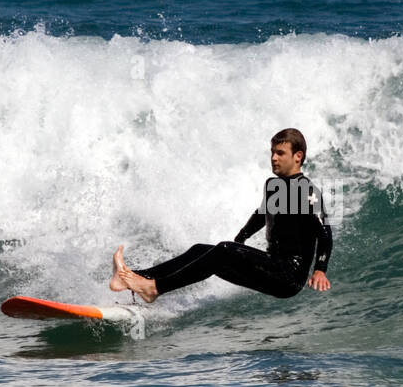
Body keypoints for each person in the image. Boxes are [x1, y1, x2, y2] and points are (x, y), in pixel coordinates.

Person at [110, 128, 333, 303]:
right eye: (272, 152)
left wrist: (320, 270)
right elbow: (262, 214)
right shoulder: (274, 185)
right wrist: (241, 237)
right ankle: (136, 277)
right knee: (203, 250)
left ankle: (154, 288)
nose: (273, 158)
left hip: (288, 276)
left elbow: (325, 234)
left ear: (298, 156)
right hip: (272, 265)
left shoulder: (307, 191)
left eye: (280, 153)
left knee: (223, 250)